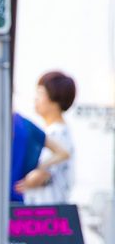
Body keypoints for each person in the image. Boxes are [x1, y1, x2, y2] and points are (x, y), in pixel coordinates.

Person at [16, 71, 76, 204]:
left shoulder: (56, 133)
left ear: (55, 99)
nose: (35, 99)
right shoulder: (61, 131)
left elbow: (39, 176)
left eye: (40, 93)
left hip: (47, 210)